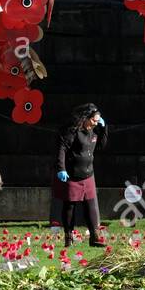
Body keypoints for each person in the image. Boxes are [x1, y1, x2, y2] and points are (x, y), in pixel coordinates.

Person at [55, 103, 108, 247]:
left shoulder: (94, 131)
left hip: (88, 174)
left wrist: (103, 129)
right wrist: (61, 168)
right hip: (72, 174)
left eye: (98, 121)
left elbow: (101, 146)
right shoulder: (72, 132)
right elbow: (62, 149)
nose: (95, 123)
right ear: (85, 118)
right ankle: (68, 237)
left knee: (91, 206)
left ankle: (95, 236)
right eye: (93, 120)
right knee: (70, 206)